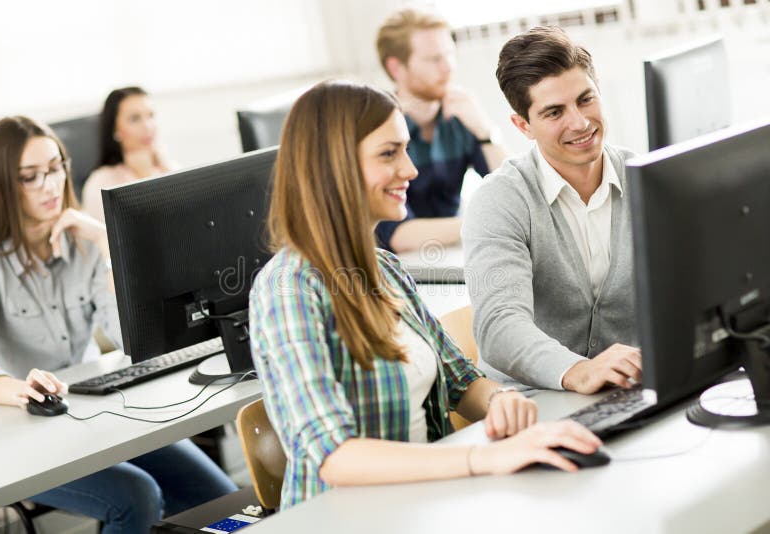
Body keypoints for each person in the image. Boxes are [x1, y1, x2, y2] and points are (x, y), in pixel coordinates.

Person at [248, 80, 601, 509]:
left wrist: (501, 401)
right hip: (349, 517)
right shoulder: (289, 289)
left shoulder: (386, 271)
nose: (411, 170)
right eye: (388, 153)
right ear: (333, 167)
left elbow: (460, 383)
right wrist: (482, 458)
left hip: (427, 503)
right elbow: (334, 456)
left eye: (406, 150)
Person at [0, 116, 236, 533]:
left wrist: (103, 242)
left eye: (56, 168)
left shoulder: (83, 244)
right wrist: (22, 390)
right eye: (30, 177)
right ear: (3, 184)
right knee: (137, 497)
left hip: (95, 419)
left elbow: (131, 339)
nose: (49, 184)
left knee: (224, 500)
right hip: (25, 437)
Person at [462, 27, 641, 394]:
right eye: (555, 112)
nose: (579, 122)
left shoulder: (646, 178)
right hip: (532, 402)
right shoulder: (499, 201)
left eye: (586, 99)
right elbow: (499, 325)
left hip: (628, 392)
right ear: (523, 126)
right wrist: (578, 370)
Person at [374, 8, 507, 252]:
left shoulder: (460, 117)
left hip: (453, 253)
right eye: (434, 59)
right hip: (400, 267)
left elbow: (511, 194)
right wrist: (487, 225)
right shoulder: (375, 129)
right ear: (396, 69)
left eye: (449, 55)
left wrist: (484, 131)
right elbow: (398, 235)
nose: (448, 68)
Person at [82, 86, 171, 221]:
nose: (148, 126)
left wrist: (167, 169)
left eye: (150, 115)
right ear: (115, 130)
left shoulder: (166, 167)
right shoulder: (101, 184)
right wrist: (144, 177)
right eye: (135, 119)